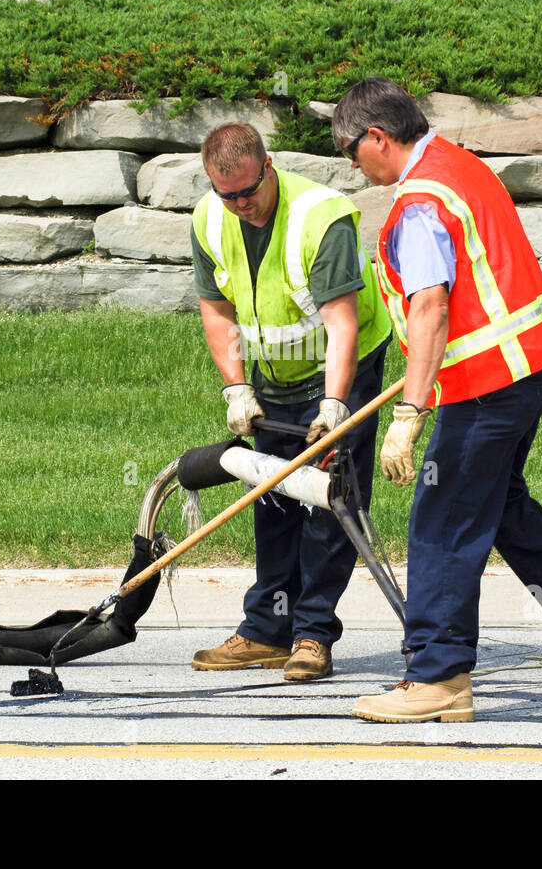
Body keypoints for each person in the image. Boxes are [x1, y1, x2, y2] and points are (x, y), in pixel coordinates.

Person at [331, 77, 542, 722]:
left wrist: (408, 416)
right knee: (498, 506)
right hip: (528, 366)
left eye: (349, 150)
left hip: (488, 385)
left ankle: (439, 675)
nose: (352, 164)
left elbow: (430, 307)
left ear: (377, 138)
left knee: (444, 518)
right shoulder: (457, 164)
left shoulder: (420, 202)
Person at [188, 122, 392, 682]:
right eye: (226, 194)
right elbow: (217, 308)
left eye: (248, 191)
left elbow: (342, 324)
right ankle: (265, 631)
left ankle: (312, 634)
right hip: (272, 374)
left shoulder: (320, 217)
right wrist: (236, 385)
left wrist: (333, 407)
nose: (239, 205)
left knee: (330, 500)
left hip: (339, 369)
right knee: (272, 496)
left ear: (269, 165)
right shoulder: (210, 217)